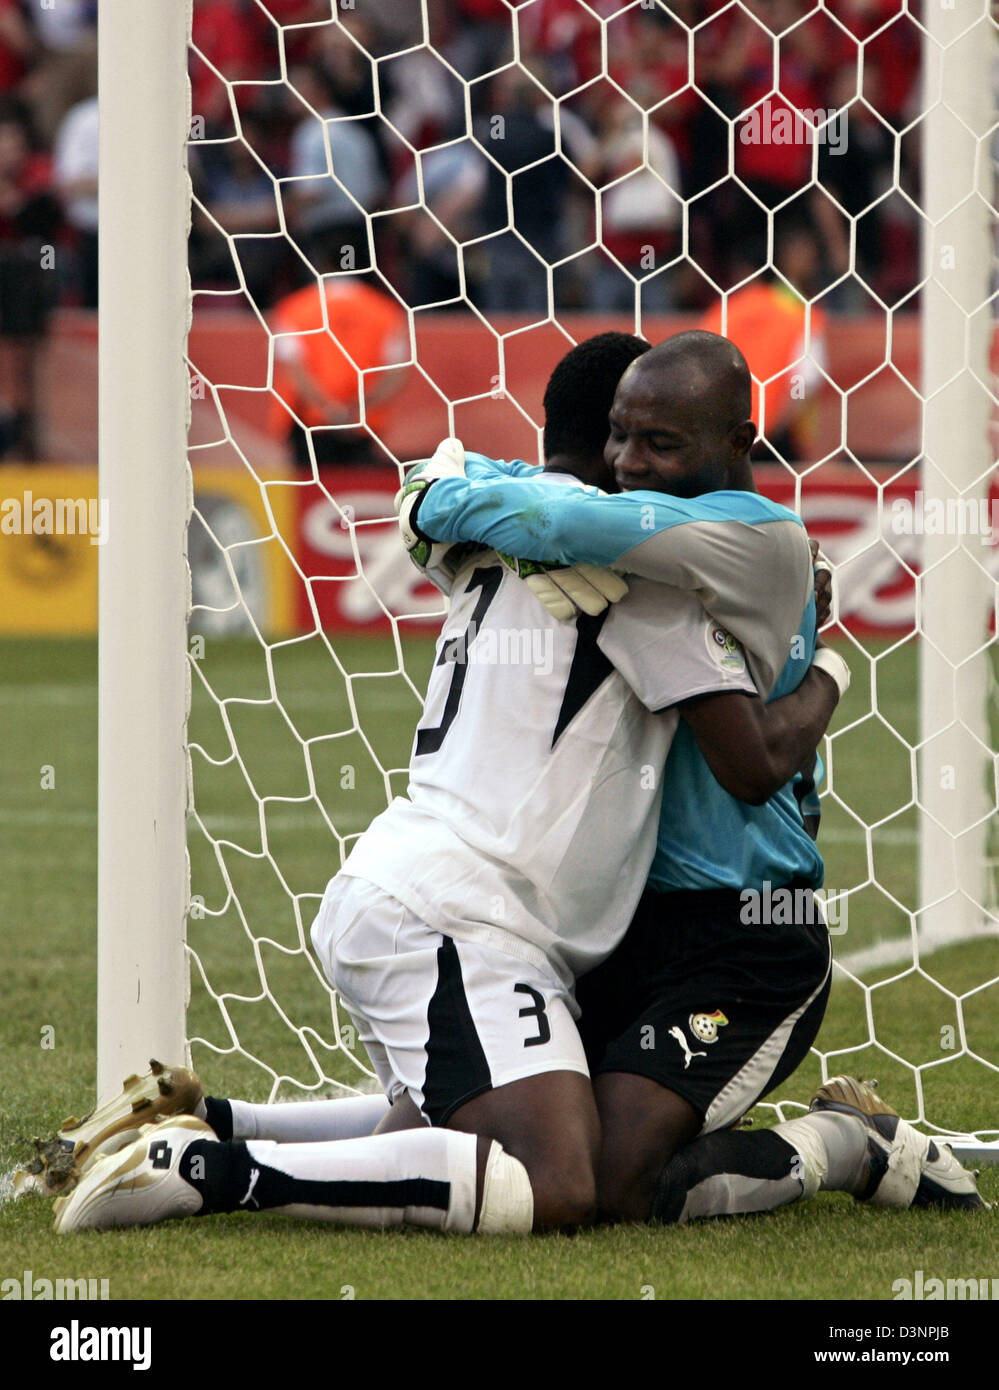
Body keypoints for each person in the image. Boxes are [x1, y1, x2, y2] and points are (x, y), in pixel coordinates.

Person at [46, 333, 845, 1236]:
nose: (636, 465)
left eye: (657, 443)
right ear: (609, 444)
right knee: (556, 1180)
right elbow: (749, 759)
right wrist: (831, 664)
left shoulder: (474, 546)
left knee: (460, 1124)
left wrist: (432, 487)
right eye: (628, 440)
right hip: (465, 913)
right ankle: (209, 1169)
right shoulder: (642, 580)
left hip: (423, 885)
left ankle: (214, 1121)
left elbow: (452, 500)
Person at [267, 272, 408, 469]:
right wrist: (357, 410)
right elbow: (396, 374)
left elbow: (294, 371)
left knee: (313, 494)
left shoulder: (294, 308)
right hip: (362, 423)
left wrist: (328, 409)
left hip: (309, 422)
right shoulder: (387, 311)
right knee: (354, 491)